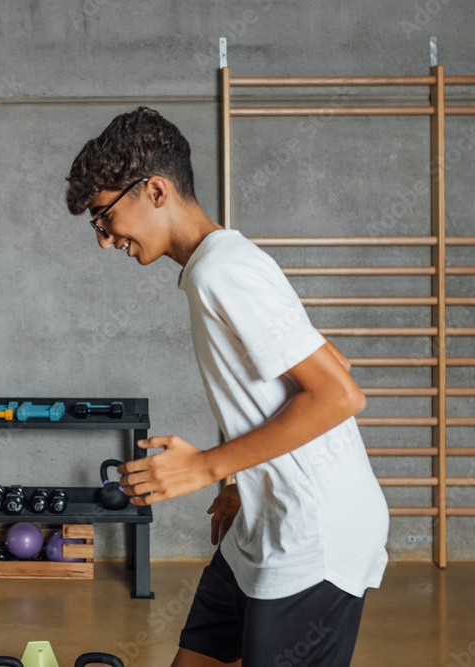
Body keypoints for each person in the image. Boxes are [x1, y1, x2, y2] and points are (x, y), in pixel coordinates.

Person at [65, 107, 389, 667]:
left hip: (314, 535)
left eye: (104, 217)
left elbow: (339, 393)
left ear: (157, 190)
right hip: (259, 522)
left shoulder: (224, 270)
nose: (103, 239)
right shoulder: (214, 265)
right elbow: (329, 356)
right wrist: (245, 477)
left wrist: (208, 466)